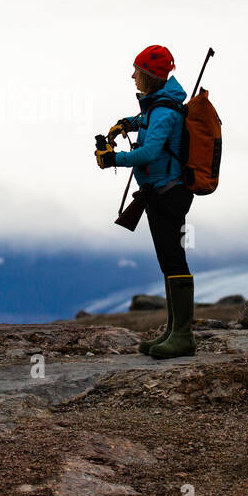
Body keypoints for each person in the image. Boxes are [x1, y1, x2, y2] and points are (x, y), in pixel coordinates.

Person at [96, 45, 195, 358]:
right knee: (169, 260)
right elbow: (148, 124)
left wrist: (114, 158)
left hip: (168, 194)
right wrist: (127, 123)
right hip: (161, 193)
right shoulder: (158, 107)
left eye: (137, 71)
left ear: (150, 76)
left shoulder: (164, 111)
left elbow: (149, 152)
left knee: (173, 259)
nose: (133, 76)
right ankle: (173, 332)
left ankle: (183, 336)